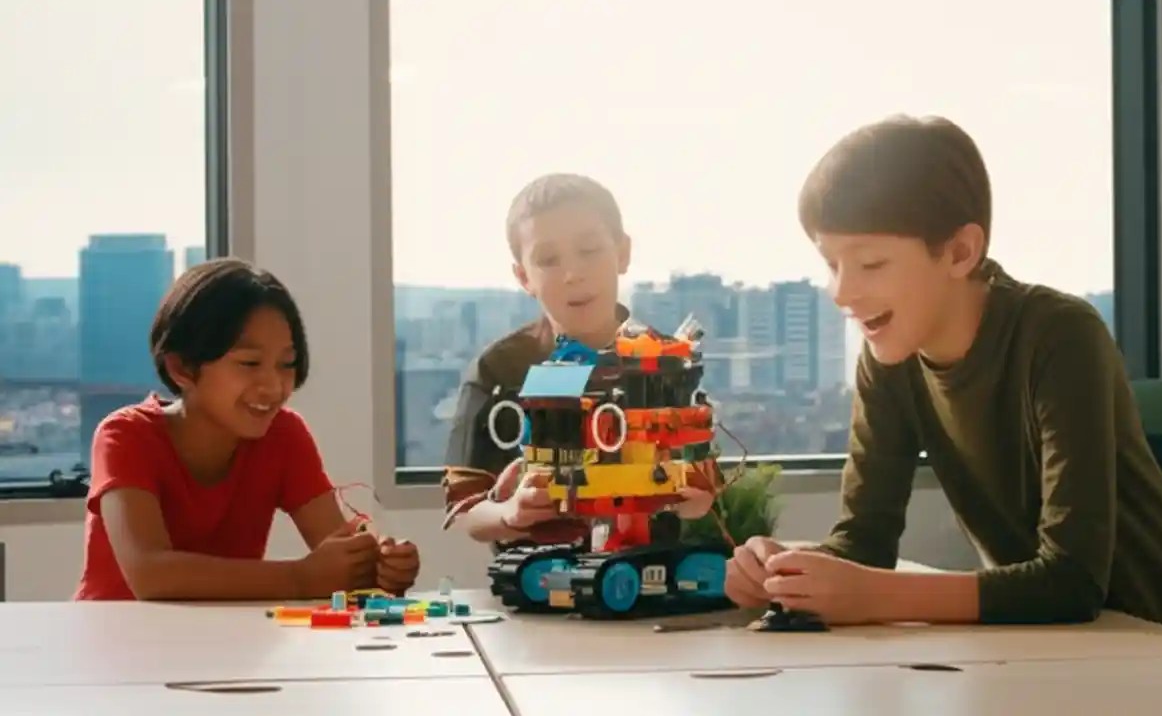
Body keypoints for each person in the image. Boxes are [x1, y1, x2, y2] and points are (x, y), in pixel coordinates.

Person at [724, 114, 1162, 644]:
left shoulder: (1060, 334)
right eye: (831, 264)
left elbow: (1072, 580)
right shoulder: (888, 359)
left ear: (960, 252)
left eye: (871, 264)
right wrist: (789, 571)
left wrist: (871, 594)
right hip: (1054, 642)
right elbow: (863, 545)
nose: (841, 292)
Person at [74, 258, 420, 601]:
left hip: (227, 644)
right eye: (249, 364)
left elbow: (338, 556)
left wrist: (379, 567)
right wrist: (301, 578)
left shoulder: (283, 435)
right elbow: (151, 575)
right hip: (117, 645)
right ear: (180, 367)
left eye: (287, 364)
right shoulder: (125, 435)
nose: (273, 386)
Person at [440, 173, 716, 548]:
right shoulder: (499, 368)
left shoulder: (665, 362)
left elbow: (700, 472)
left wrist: (693, 500)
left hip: (645, 569)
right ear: (524, 277)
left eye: (589, 251)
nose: (573, 274)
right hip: (535, 578)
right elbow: (463, 508)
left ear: (622, 253)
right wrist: (510, 513)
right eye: (548, 259)